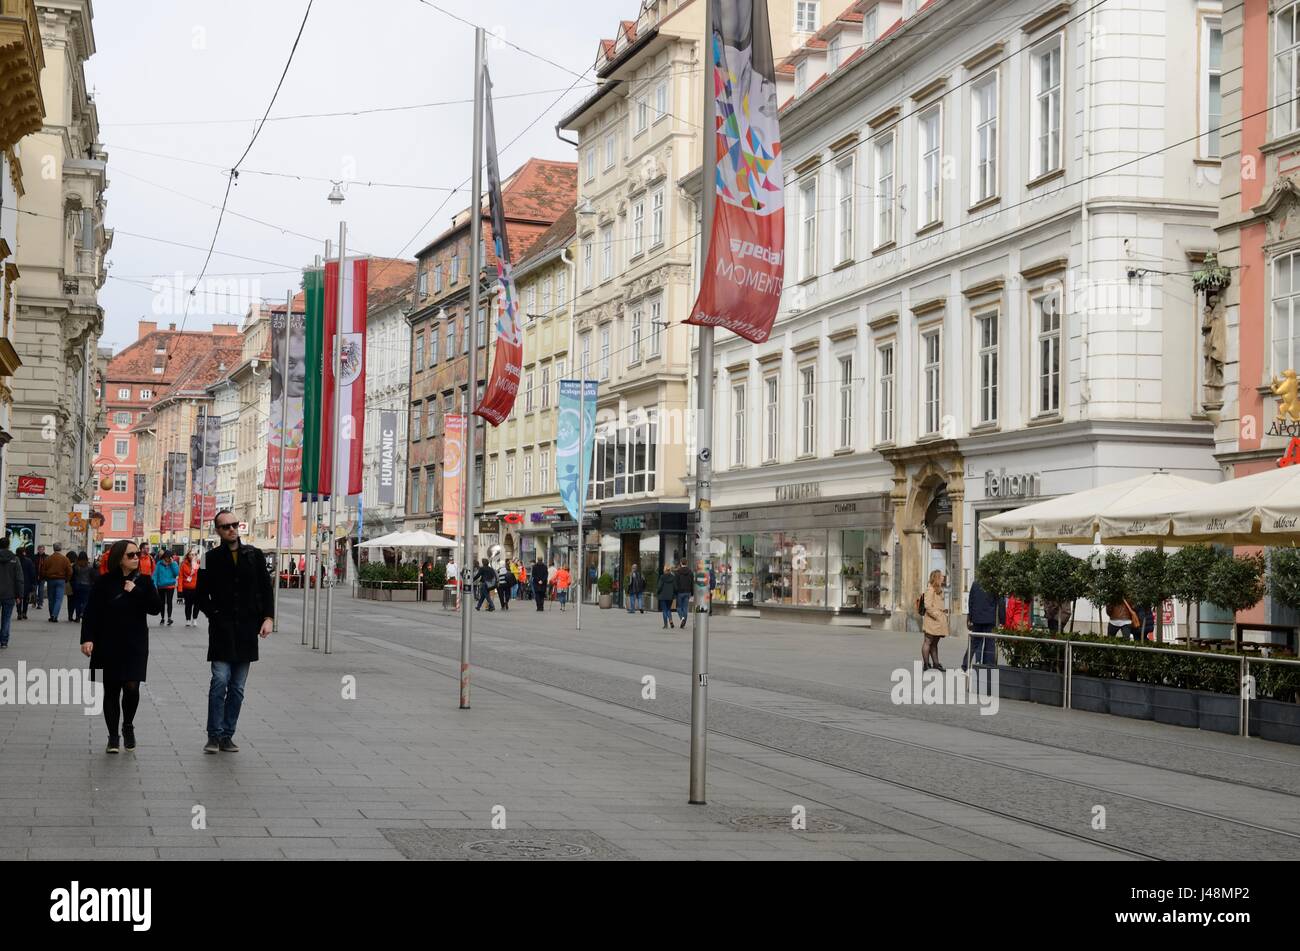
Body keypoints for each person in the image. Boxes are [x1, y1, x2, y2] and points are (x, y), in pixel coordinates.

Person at [191, 510, 274, 754]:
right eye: (225, 526)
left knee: (237, 687)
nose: (231, 529)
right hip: (222, 630)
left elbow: (265, 589)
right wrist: (214, 614)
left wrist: (268, 617)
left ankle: (228, 734)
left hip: (247, 630)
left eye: (234, 525)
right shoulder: (209, 557)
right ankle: (214, 735)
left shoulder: (255, 556)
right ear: (217, 530)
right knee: (219, 681)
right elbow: (199, 594)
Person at [79, 539, 162, 754]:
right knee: (111, 690)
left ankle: (128, 725)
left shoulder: (144, 581)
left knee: (132, 687)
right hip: (106, 642)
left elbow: (155, 609)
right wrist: (87, 639)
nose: (136, 558)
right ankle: (113, 736)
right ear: (119, 559)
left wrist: (135, 591)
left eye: (137, 554)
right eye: (131, 555)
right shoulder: (103, 581)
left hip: (135, 642)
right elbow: (91, 612)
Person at [963, 577, 1000, 674]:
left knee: (974, 643)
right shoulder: (994, 585)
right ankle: (987, 667)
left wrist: (970, 617)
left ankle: (965, 665)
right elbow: (1000, 603)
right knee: (989, 644)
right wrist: (1002, 620)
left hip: (977, 619)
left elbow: (970, 601)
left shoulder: (975, 584)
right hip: (989, 619)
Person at [921, 570, 949, 671]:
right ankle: (926, 663)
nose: (943, 577)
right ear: (937, 578)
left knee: (934, 643)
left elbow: (936, 604)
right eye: (941, 576)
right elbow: (927, 606)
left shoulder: (938, 589)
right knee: (928, 641)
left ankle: (936, 663)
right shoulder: (930, 589)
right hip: (932, 620)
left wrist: (943, 611)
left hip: (937, 621)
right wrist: (937, 615)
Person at [39, 542, 72, 623]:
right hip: (61, 580)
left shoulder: (48, 559)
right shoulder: (65, 559)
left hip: (50, 580)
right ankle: (55, 615)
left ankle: (51, 615)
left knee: (51, 599)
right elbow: (70, 571)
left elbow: (43, 570)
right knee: (58, 599)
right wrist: (66, 579)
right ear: (60, 549)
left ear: (53, 548)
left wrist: (46, 578)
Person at [0, 538, 22, 648]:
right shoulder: (15, 559)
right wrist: (19, 595)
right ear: (8, 546)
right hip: (9, 593)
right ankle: (4, 641)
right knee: (6, 618)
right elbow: (19, 579)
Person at [153, 549, 179, 625]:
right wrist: (154, 585)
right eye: (167, 557)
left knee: (169, 602)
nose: (168, 558)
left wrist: (173, 563)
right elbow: (155, 575)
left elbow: (176, 573)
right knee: (162, 602)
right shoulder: (159, 564)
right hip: (161, 586)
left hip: (170, 586)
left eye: (170, 557)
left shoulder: (173, 564)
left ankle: (169, 618)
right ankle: (162, 618)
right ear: (164, 557)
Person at [70, 552, 95, 623]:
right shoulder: (90, 566)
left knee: (77, 601)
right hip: (87, 585)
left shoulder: (75, 566)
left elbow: (73, 575)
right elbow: (93, 576)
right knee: (85, 601)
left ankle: (77, 617)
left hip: (77, 585)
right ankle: (83, 612)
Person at [178, 550, 201, 626]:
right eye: (190, 554)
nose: (192, 556)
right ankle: (188, 619)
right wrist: (180, 590)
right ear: (187, 555)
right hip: (187, 588)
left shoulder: (199, 563)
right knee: (188, 605)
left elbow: (203, 576)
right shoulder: (184, 564)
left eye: (194, 554)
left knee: (197, 604)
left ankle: (194, 619)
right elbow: (180, 577)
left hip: (197, 588)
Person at [16, 547, 34, 621]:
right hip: (27, 582)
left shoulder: (16, 560)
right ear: (24, 552)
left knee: (18, 598)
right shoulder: (28, 561)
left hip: (17, 582)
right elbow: (32, 573)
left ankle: (19, 613)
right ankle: (24, 613)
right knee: (26, 599)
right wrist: (33, 582)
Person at [674, 560, 693, 629]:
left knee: (679, 607)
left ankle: (682, 618)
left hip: (680, 592)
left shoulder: (678, 572)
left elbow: (675, 583)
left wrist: (676, 591)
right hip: (687, 592)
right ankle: (684, 621)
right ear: (686, 563)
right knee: (685, 607)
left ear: (681, 563)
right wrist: (692, 592)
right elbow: (692, 583)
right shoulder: (690, 572)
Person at [33, 544, 46, 609]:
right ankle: (34, 602)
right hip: (35, 576)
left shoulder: (46, 557)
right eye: (40, 549)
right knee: (34, 590)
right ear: (38, 550)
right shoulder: (34, 557)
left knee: (41, 590)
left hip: (42, 576)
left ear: (44, 550)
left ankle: (40, 603)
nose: (41, 550)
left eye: (42, 549)